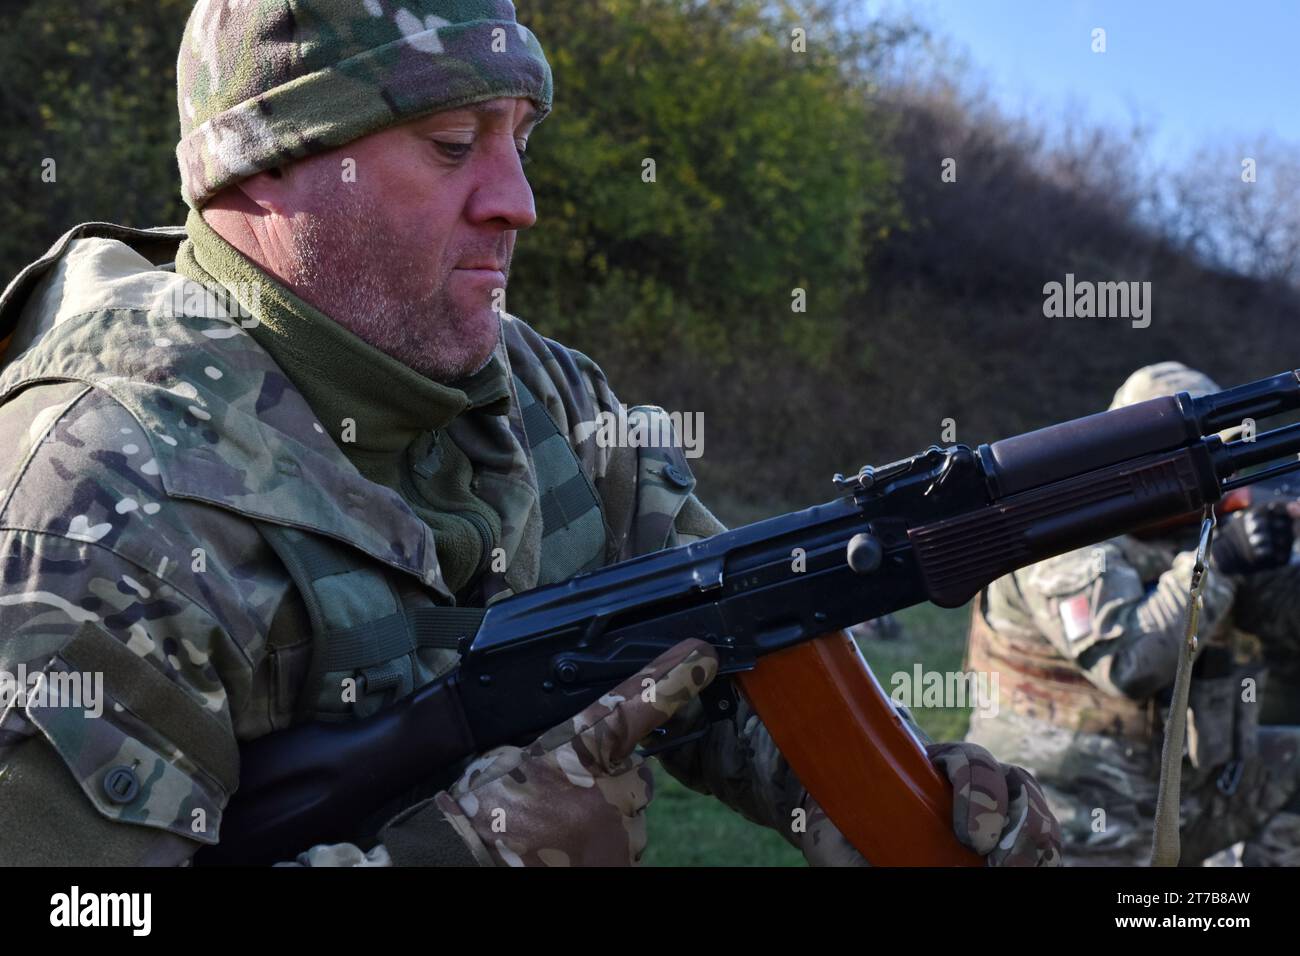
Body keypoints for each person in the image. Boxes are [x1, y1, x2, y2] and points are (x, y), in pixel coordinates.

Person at [0, 0, 1058, 867]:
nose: (519, 201)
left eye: (518, 140)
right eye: (452, 144)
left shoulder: (543, 390)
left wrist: (900, 800)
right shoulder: (97, 493)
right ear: (264, 161)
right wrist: (460, 852)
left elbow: (718, 648)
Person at [965, 361, 1300, 865]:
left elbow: (1284, 620)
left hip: (1177, 798)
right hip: (1063, 816)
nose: (1212, 469)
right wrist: (1222, 563)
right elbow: (1129, 664)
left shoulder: (1197, 524)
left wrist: (1281, 547)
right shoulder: (1058, 530)